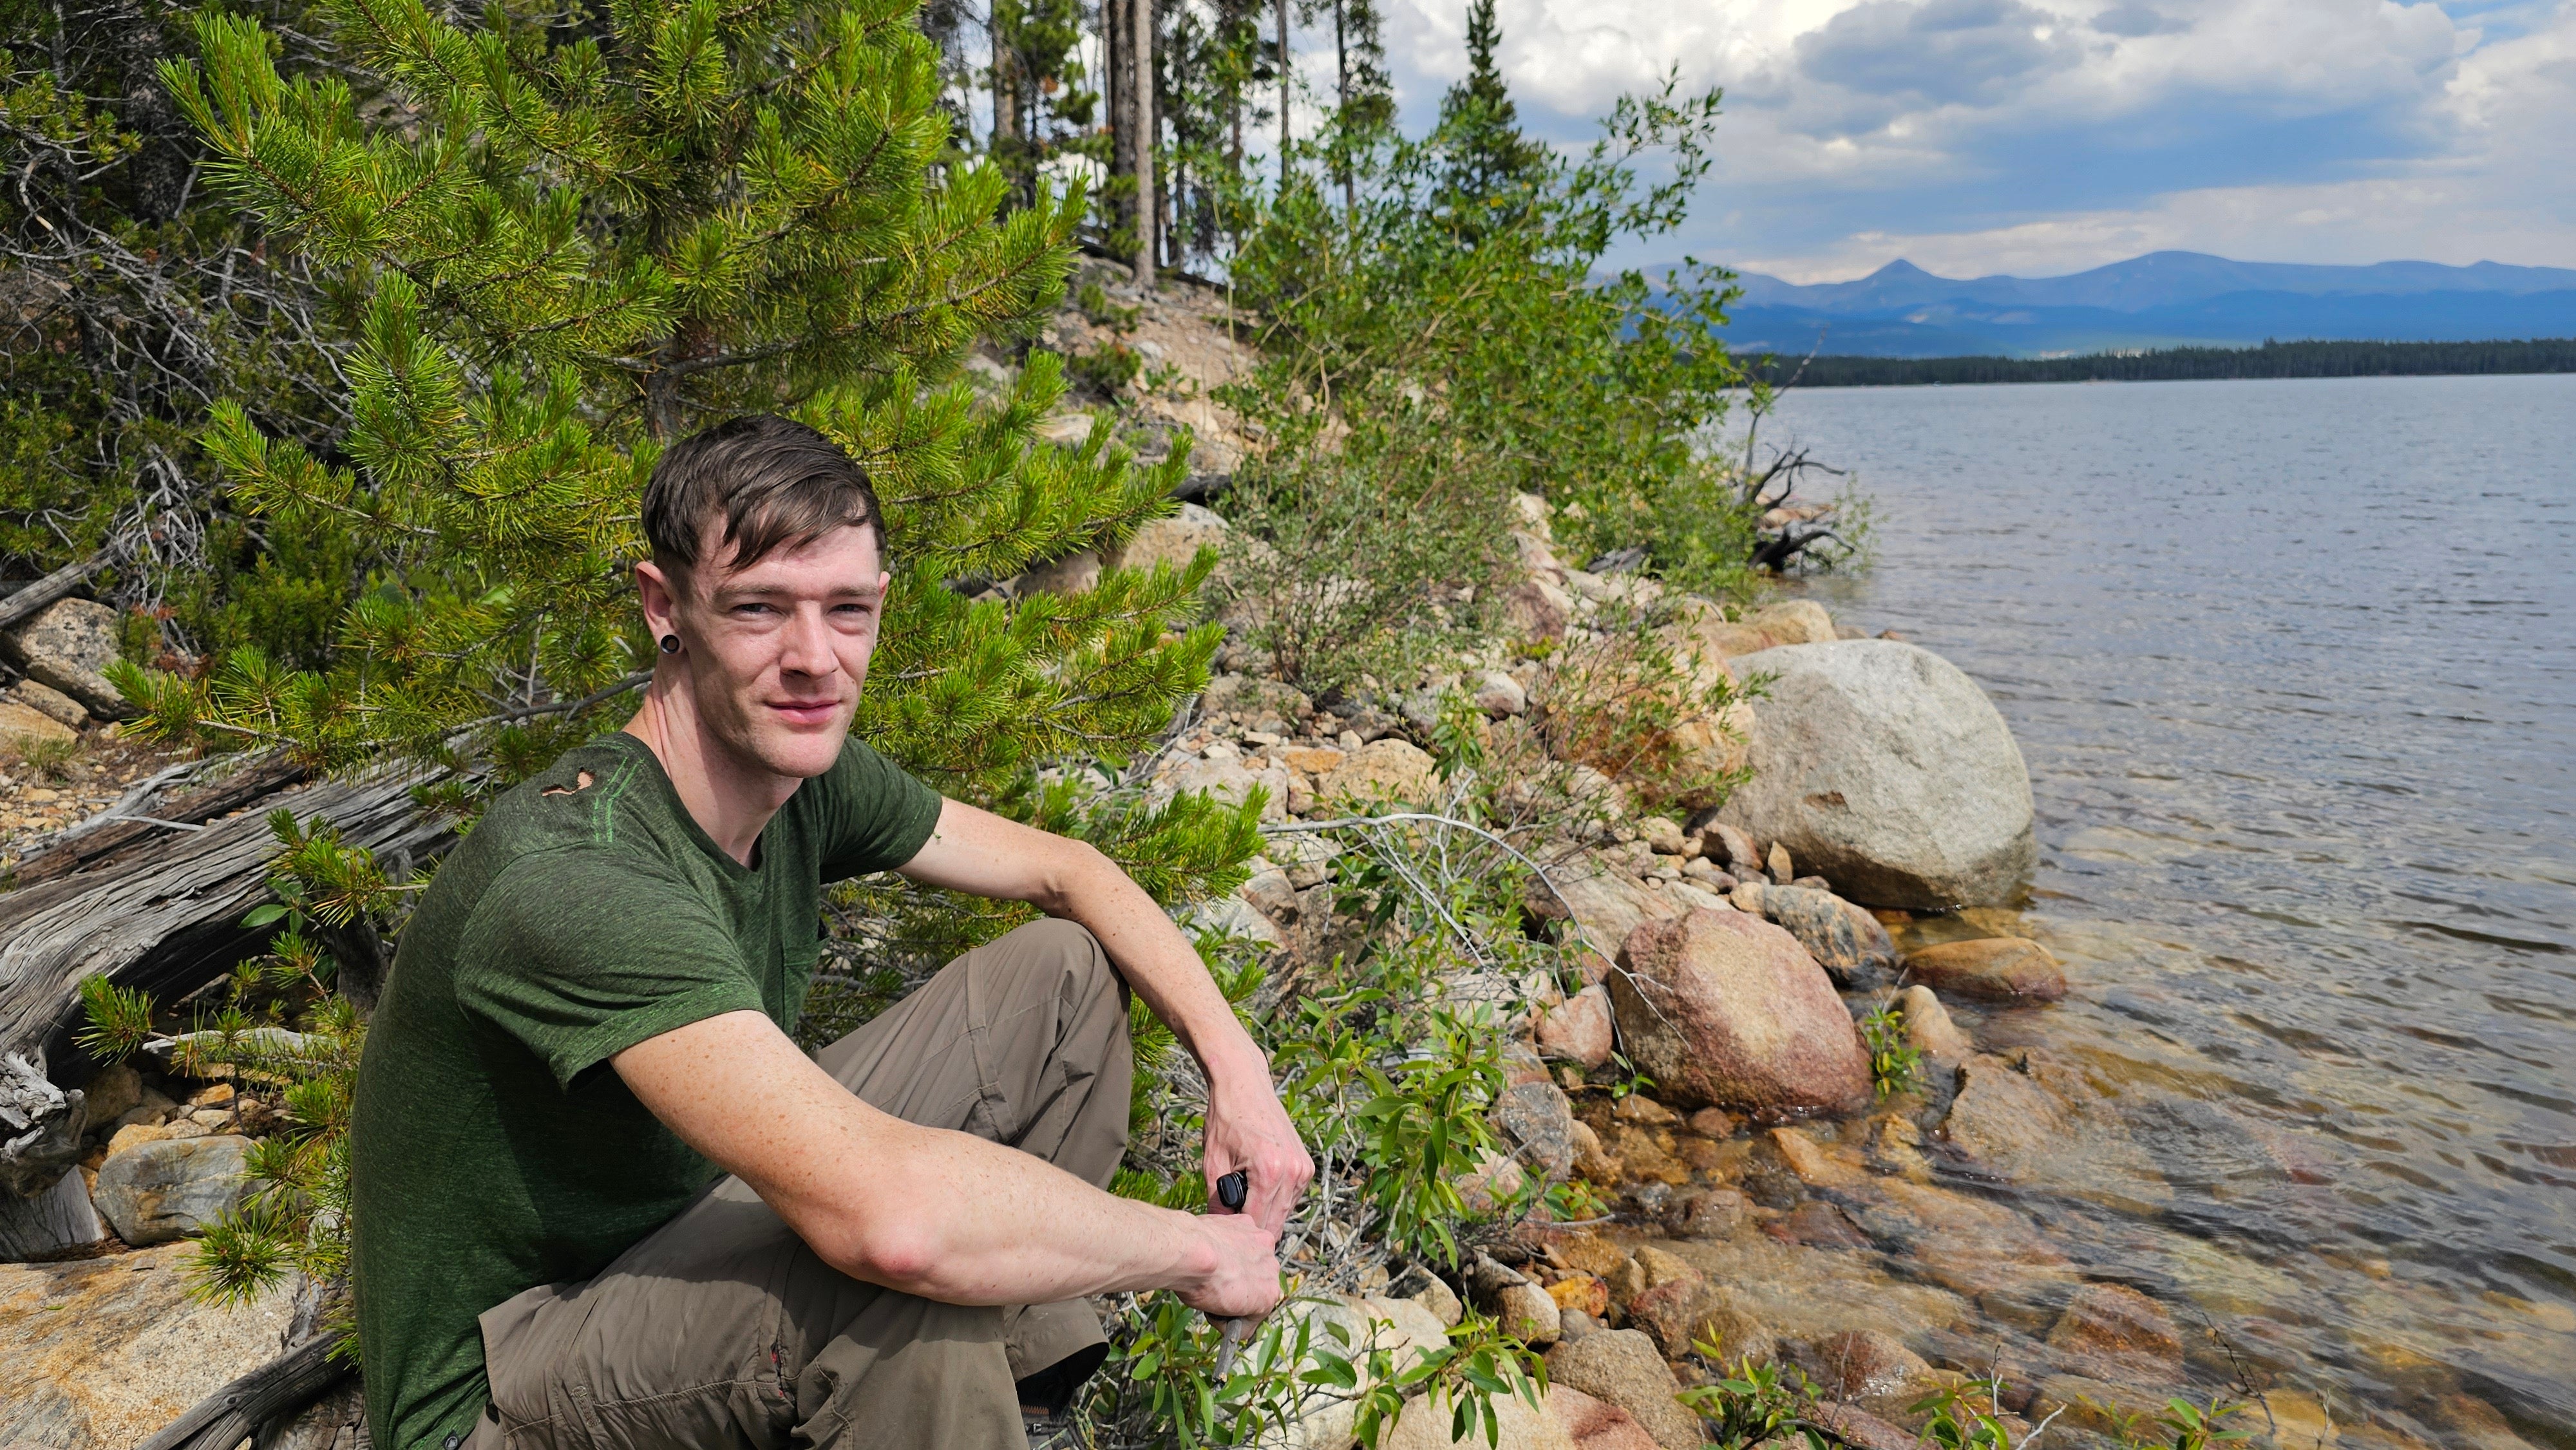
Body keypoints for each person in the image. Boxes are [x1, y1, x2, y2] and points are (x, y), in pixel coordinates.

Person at [348, 413, 1308, 1450]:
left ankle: (1001, 1400)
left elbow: (1067, 872)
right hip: (496, 1395)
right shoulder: (579, 877)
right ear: (665, 607)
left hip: (667, 1258)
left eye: (846, 610)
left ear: (880, 605)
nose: (814, 659)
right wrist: (1199, 1252)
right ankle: (935, 1395)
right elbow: (895, 1228)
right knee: (904, 1293)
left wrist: (1239, 1074)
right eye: (759, 608)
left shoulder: (798, 774)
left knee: (1059, 980)